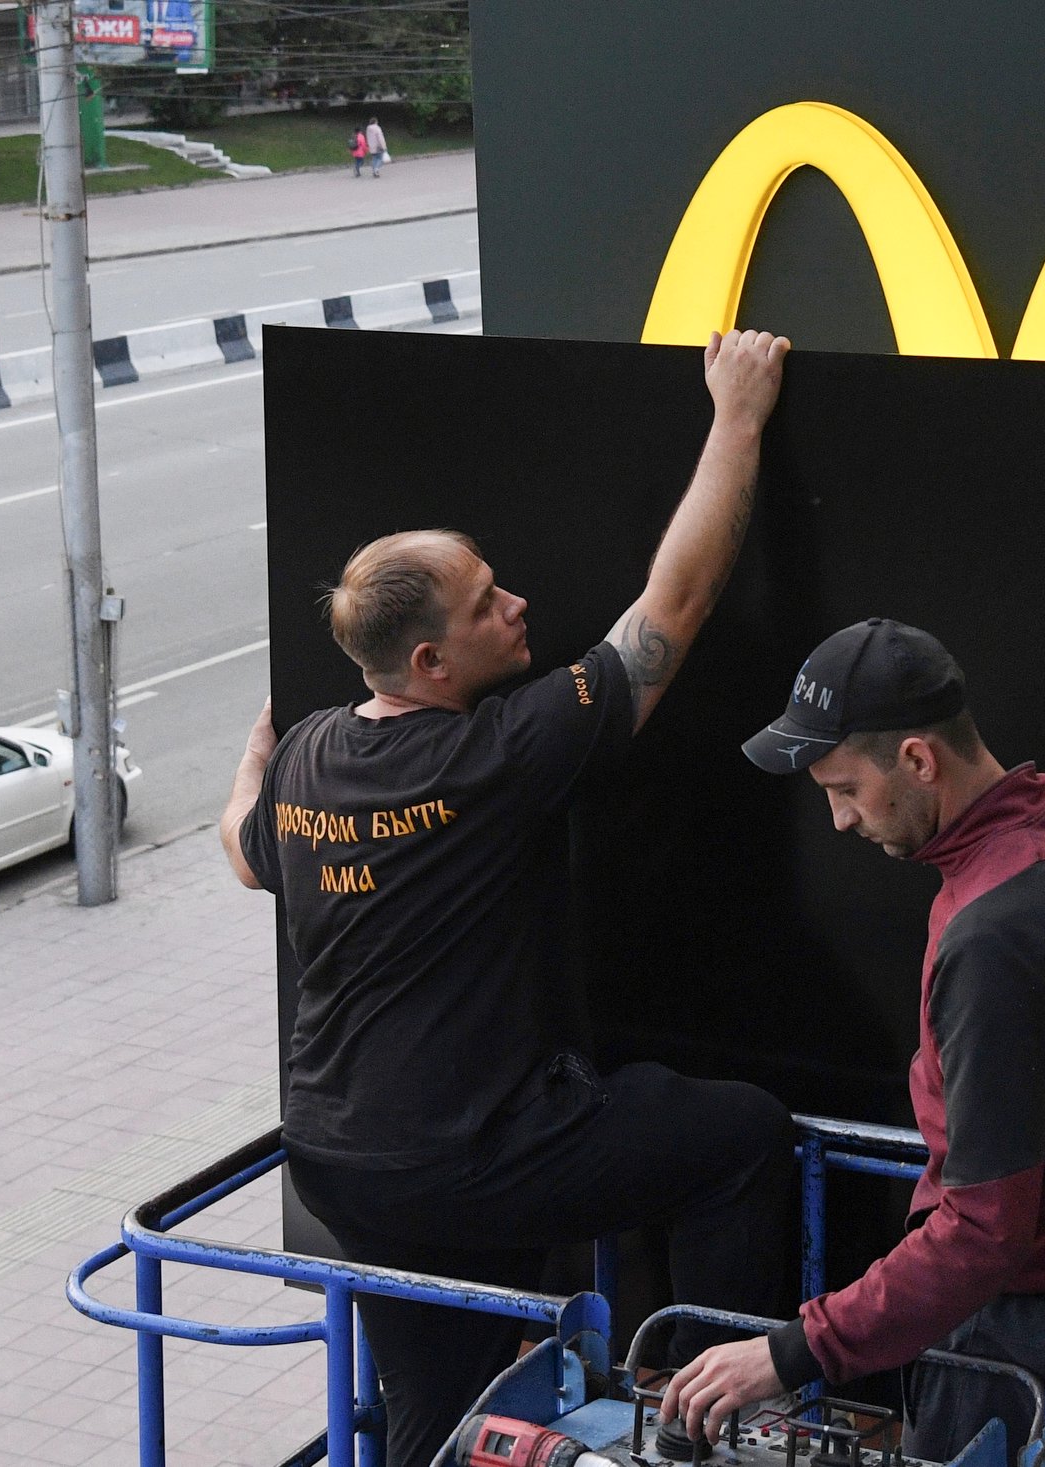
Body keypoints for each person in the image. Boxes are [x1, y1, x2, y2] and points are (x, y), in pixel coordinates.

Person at [221, 329, 797, 1467]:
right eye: (488, 604)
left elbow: (245, 854)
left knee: (439, 1412)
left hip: (342, 1161)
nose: (520, 604)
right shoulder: (494, 757)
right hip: (473, 1157)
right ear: (431, 666)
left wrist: (256, 762)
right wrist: (737, 416)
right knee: (741, 1137)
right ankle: (710, 1415)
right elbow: (674, 604)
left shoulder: (315, 756)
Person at [661, 619, 1045, 1461]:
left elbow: (981, 1234)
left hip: (1022, 1333)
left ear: (919, 760)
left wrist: (787, 1352)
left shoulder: (993, 936)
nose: (839, 819)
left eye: (847, 789)